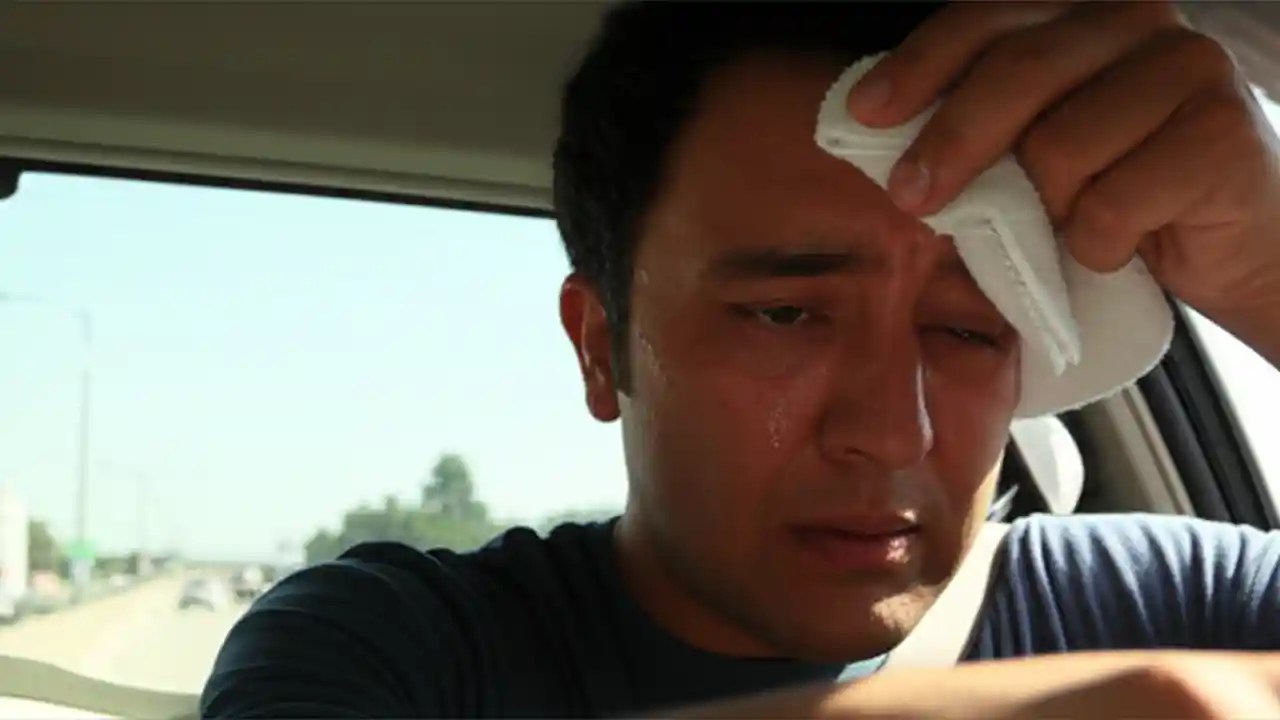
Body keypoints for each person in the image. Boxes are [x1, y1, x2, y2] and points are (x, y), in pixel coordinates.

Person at [201, 2, 1280, 717]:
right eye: (784, 315)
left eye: (967, 329)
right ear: (597, 345)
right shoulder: (401, 649)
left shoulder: (1177, 596)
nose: (892, 431)